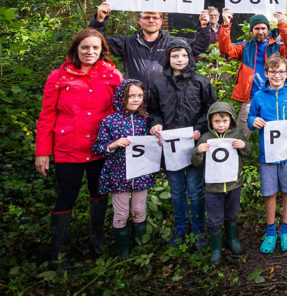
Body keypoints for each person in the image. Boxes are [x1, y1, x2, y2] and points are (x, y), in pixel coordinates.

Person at [35, 29, 123, 268]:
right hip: (68, 149)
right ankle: (59, 254)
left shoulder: (112, 75)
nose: (90, 52)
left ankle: (97, 242)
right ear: (75, 49)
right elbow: (47, 115)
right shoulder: (58, 76)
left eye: (95, 48)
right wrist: (42, 151)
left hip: (101, 149)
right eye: (85, 47)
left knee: (99, 195)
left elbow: (122, 111)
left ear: (102, 51)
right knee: (65, 198)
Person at [148, 39, 216, 248]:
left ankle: (197, 229)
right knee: (177, 190)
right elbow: (154, 111)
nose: (180, 59)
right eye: (175, 55)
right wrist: (156, 124)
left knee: (195, 189)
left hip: (194, 145)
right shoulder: (159, 84)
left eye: (184, 55)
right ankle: (180, 228)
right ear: (168, 58)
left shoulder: (201, 82)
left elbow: (210, 110)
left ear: (189, 57)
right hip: (170, 147)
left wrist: (201, 128)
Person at [248, 54, 287, 254]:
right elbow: (251, 116)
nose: (277, 75)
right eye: (273, 72)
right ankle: (270, 231)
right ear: (266, 73)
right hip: (268, 155)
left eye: (281, 71)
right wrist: (252, 122)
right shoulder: (258, 96)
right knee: (270, 191)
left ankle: (286, 228)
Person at [92, 79, 155, 258]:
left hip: (141, 173)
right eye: (131, 96)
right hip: (118, 173)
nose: (136, 100)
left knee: (139, 210)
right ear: (122, 97)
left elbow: (152, 146)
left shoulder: (146, 120)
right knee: (121, 213)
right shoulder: (110, 121)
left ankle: (140, 247)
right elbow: (98, 147)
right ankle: (123, 251)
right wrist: (114, 144)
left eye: (140, 96)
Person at [89, 2, 210, 88]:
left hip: (164, 100)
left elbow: (198, 46)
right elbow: (98, 43)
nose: (151, 20)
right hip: (135, 101)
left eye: (154, 17)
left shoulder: (172, 43)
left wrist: (204, 27)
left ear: (161, 21)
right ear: (139, 21)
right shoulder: (127, 43)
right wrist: (99, 20)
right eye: (147, 17)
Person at [219, 9, 287, 140]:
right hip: (251, 97)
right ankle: (238, 158)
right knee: (241, 134)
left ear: (268, 29)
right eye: (256, 28)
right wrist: (226, 24)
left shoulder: (276, 47)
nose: (260, 31)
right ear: (252, 30)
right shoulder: (245, 47)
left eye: (263, 28)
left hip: (273, 95)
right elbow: (226, 49)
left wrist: (282, 23)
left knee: (276, 133)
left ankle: (274, 159)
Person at [192, 101, 252, 264]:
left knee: (232, 214)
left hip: (234, 185)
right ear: (210, 121)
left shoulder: (237, 134)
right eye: (216, 121)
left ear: (231, 120)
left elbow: (248, 153)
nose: (221, 125)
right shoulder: (206, 137)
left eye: (224, 121)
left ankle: (231, 240)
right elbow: (196, 162)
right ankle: (216, 249)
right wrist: (198, 151)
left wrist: (243, 145)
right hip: (213, 187)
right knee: (214, 219)